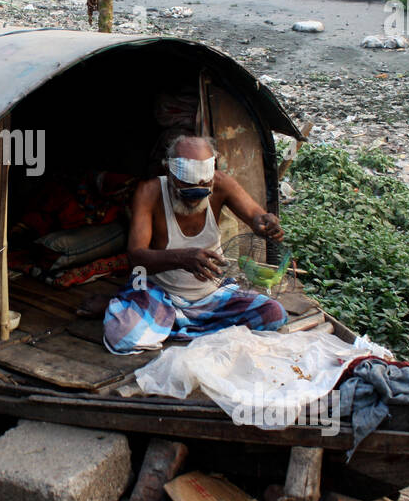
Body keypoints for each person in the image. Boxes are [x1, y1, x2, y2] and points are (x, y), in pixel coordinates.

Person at [103, 134, 287, 354]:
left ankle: (167, 326)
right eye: (186, 186)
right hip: (161, 294)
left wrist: (263, 222)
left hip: (213, 295)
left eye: (203, 186)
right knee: (123, 336)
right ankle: (168, 320)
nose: (194, 195)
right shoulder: (150, 192)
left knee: (273, 314)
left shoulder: (221, 184)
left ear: (211, 176)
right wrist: (183, 258)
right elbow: (136, 258)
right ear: (168, 171)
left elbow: (256, 215)